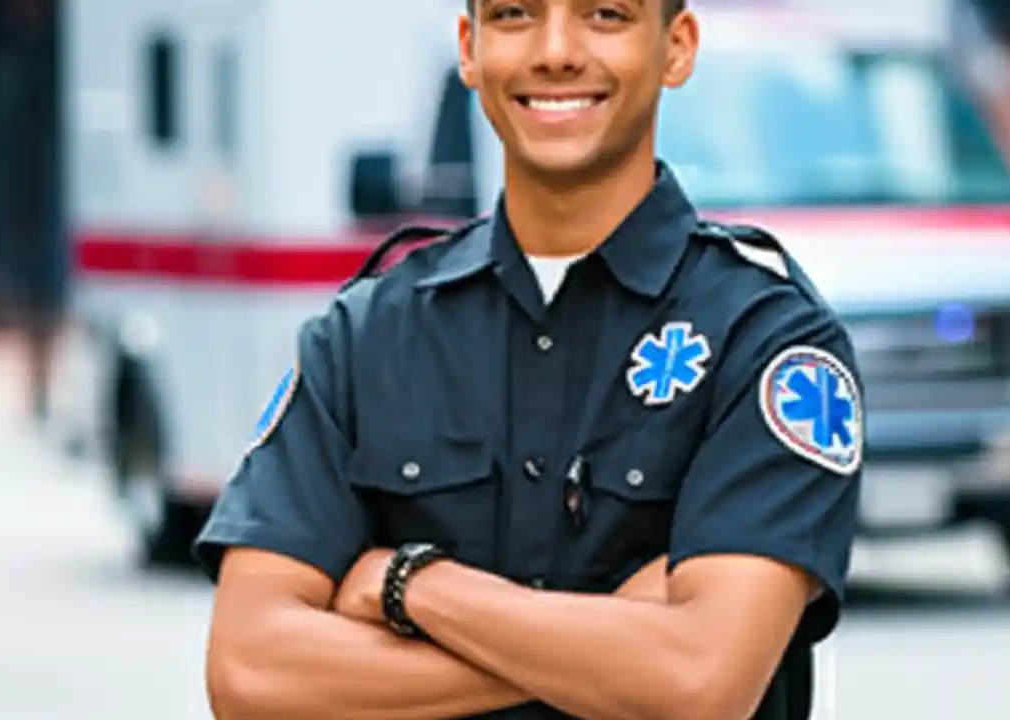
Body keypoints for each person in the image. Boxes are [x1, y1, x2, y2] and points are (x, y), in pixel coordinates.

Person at [194, 1, 863, 718]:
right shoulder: (364, 337)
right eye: (514, 14)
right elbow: (250, 672)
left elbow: (699, 684)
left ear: (676, 47)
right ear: (470, 47)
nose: (555, 51)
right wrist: (616, 639)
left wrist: (409, 586)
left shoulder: (767, 339)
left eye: (604, 15)